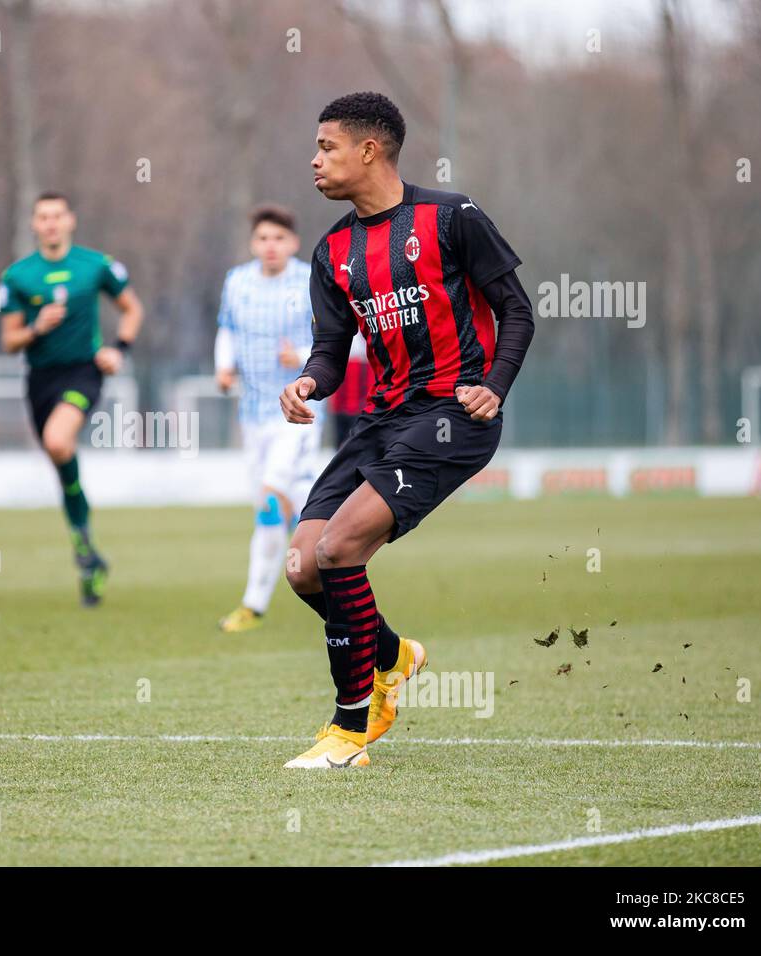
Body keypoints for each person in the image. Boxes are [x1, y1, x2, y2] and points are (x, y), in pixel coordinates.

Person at [280, 92, 535, 769]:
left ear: (369, 149)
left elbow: (518, 311)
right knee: (303, 566)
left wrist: (494, 386)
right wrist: (309, 380)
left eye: (326, 146)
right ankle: (393, 659)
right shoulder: (332, 249)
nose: (314, 160)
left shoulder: (452, 218)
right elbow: (332, 350)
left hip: (452, 417)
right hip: (380, 421)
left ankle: (348, 731)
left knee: (339, 550)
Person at [0, 191, 145, 606]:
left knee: (58, 442)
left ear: (70, 221)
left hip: (84, 372)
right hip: (40, 378)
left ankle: (83, 543)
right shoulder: (17, 276)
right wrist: (36, 327)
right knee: (60, 460)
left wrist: (119, 348)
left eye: (57, 216)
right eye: (42, 217)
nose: (50, 224)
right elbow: (10, 341)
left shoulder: (95, 265)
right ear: (34, 225)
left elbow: (132, 309)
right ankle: (86, 550)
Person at [214, 204, 322, 633]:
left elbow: (344, 340)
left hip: (296, 414)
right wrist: (223, 367)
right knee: (293, 504)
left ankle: (253, 604)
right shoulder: (237, 282)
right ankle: (328, 571)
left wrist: (299, 356)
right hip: (253, 413)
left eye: (279, 238)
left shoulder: (310, 281)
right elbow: (227, 329)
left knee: (271, 503)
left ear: (292, 243)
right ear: (253, 243)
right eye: (262, 239)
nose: (270, 246)